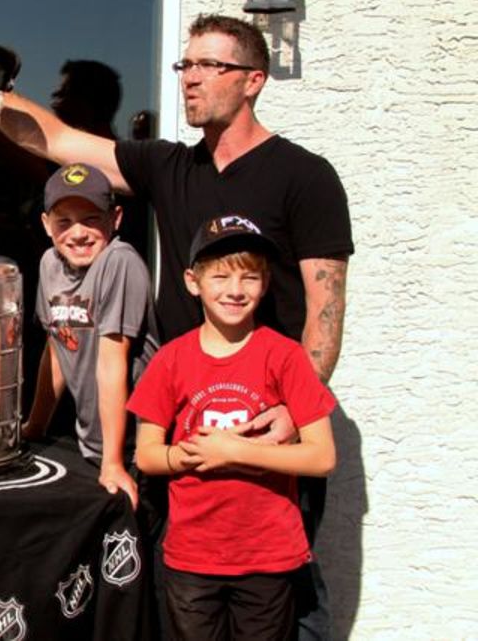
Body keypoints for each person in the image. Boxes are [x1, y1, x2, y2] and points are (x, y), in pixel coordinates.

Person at [0, 13, 352, 637]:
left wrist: (292, 412)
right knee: (182, 589)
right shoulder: (168, 167)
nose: (190, 79)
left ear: (254, 80)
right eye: (186, 65)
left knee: (287, 593)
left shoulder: (305, 176)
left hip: (267, 429)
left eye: (210, 65)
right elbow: (58, 141)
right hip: (183, 431)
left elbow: (325, 311)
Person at [129, 214, 337, 640]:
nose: (235, 290)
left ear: (265, 284)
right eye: (220, 277)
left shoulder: (285, 356)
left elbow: (321, 456)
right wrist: (187, 454)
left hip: (268, 554)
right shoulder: (170, 360)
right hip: (191, 557)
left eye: (250, 277)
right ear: (193, 281)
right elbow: (147, 454)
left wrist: (233, 451)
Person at [21, 162, 158, 510]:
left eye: (91, 219)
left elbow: (113, 362)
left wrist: (113, 462)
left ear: (116, 219)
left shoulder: (119, 261)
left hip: (135, 448)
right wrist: (35, 426)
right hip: (92, 446)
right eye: (64, 221)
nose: (77, 233)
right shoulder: (49, 264)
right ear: (46, 225)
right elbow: (56, 349)